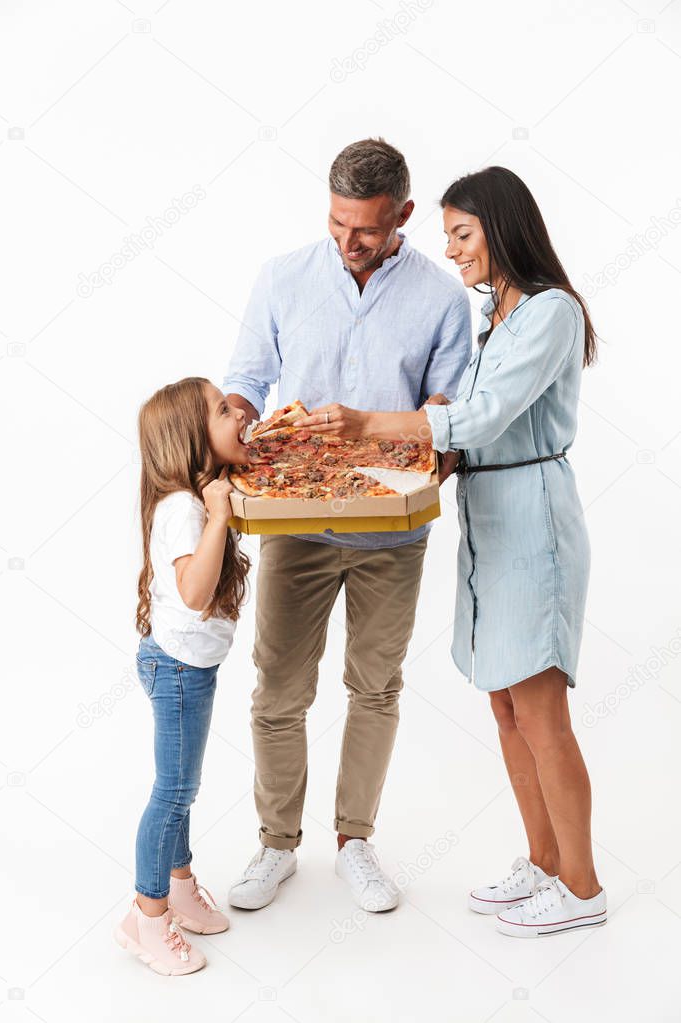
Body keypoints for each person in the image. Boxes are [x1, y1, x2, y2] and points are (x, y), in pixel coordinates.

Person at [295, 166, 607, 938]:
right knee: (504, 705)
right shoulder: (494, 316)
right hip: (490, 519)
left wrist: (373, 425)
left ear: (504, 230)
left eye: (464, 235)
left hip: (533, 522)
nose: (452, 250)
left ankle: (583, 886)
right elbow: (457, 419)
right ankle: (542, 861)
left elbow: (481, 415)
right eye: (448, 235)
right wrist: (411, 444)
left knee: (541, 713)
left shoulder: (551, 313)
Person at [224, 138, 471, 912]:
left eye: (364, 228)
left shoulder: (441, 296)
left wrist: (422, 442)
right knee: (277, 691)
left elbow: (453, 420)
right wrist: (236, 418)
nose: (348, 241)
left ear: (402, 213)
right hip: (294, 521)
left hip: (393, 532)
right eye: (336, 223)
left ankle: (356, 840)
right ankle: (276, 845)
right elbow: (245, 381)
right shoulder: (283, 277)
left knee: (374, 685)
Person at [115, 378, 251, 974]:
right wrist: (218, 515)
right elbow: (196, 594)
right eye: (223, 411)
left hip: (188, 666)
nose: (237, 414)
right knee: (173, 791)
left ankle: (180, 884)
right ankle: (146, 916)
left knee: (182, 787)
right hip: (174, 668)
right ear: (195, 438)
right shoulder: (183, 510)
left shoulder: (195, 500)